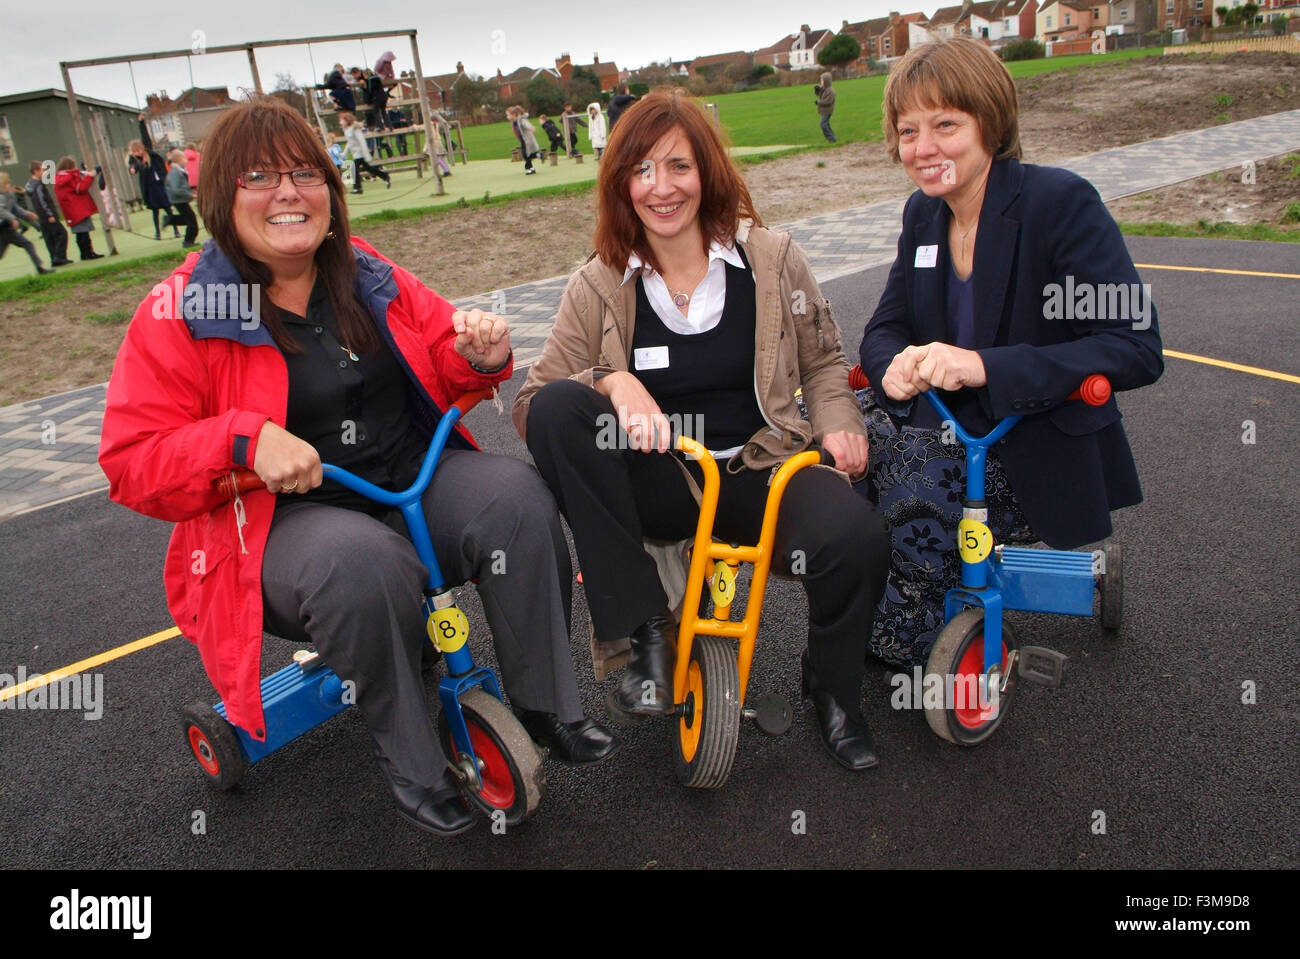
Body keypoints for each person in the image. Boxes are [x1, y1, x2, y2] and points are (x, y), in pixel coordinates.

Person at [98, 97, 617, 838]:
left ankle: (543, 703)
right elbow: (130, 462)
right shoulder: (182, 309)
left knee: (515, 498)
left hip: (406, 476)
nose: (287, 193)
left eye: (305, 173)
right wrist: (243, 440)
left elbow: (442, 353)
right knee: (361, 563)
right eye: (259, 177)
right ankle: (415, 764)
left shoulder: (365, 269)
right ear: (220, 197)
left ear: (330, 193)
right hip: (284, 523)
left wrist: (482, 353)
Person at [513, 91, 891, 771]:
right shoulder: (597, 283)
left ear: (707, 172)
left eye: (678, 167)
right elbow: (532, 401)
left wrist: (838, 422)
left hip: (766, 467)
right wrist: (610, 379)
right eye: (642, 171)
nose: (662, 188)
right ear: (621, 184)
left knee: (856, 539)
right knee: (559, 411)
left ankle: (833, 690)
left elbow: (826, 360)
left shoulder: (773, 259)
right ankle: (647, 629)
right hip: (669, 480)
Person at [858, 37, 1163, 668]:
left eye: (946, 124)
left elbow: (1134, 347)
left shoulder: (1059, 205)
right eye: (908, 130)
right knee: (831, 452)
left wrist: (984, 367)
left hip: (1029, 439)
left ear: (990, 123)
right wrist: (896, 364)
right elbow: (884, 328)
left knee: (910, 486)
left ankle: (908, 642)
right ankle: (878, 608)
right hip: (938, 428)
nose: (924, 148)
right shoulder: (923, 215)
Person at [128, 116, 177, 240]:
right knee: (155, 211)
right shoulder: (135, 160)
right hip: (149, 188)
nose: (137, 154)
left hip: (159, 184)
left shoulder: (150, 154)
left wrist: (141, 122)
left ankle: (175, 229)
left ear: (142, 149)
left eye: (138, 151)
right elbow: (133, 167)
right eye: (134, 152)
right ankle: (157, 232)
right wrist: (133, 169)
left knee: (168, 208)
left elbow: (146, 137)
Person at [0, 172, 55, 274]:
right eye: (6, 183)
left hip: (6, 228)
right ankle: (40, 269)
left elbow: (15, 209)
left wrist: (28, 214)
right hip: (4, 228)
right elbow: (1, 210)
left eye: (9, 182)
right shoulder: (1, 196)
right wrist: (12, 219)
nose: (9, 184)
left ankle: (40, 269)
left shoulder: (10, 194)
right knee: (28, 244)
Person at [53, 157, 104, 260]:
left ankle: (84, 253)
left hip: (70, 209)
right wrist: (90, 176)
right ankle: (88, 253)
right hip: (77, 207)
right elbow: (80, 188)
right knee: (84, 232)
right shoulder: (69, 177)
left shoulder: (60, 177)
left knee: (80, 233)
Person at [25, 161, 72, 266]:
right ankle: (59, 257)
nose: (44, 171)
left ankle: (54, 258)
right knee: (61, 234)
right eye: (42, 169)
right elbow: (42, 201)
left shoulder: (30, 185)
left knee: (49, 237)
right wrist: (50, 214)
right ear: (35, 171)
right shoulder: (38, 185)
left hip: (40, 216)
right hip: (47, 215)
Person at [338, 111, 390, 194]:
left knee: (355, 168)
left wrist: (366, 155)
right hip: (356, 153)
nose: (340, 122)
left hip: (360, 153)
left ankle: (357, 188)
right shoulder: (346, 130)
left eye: (341, 120)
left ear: (347, 120)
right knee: (368, 168)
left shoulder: (355, 129)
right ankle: (385, 176)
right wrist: (344, 153)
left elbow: (362, 141)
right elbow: (349, 142)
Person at [165, 148, 200, 247]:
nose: (186, 161)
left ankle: (170, 220)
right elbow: (176, 188)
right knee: (191, 221)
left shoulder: (178, 171)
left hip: (180, 199)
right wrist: (190, 195)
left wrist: (190, 192)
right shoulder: (175, 172)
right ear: (179, 160)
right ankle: (188, 241)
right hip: (179, 200)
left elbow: (181, 186)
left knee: (188, 219)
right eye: (184, 159)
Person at [814, 72, 836, 143]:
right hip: (824, 111)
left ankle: (831, 139)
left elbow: (827, 101)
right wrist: (817, 90)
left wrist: (818, 102)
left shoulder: (830, 91)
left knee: (823, 124)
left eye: (822, 80)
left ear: (826, 81)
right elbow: (820, 95)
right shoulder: (824, 89)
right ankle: (832, 137)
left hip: (827, 111)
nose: (821, 82)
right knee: (826, 124)